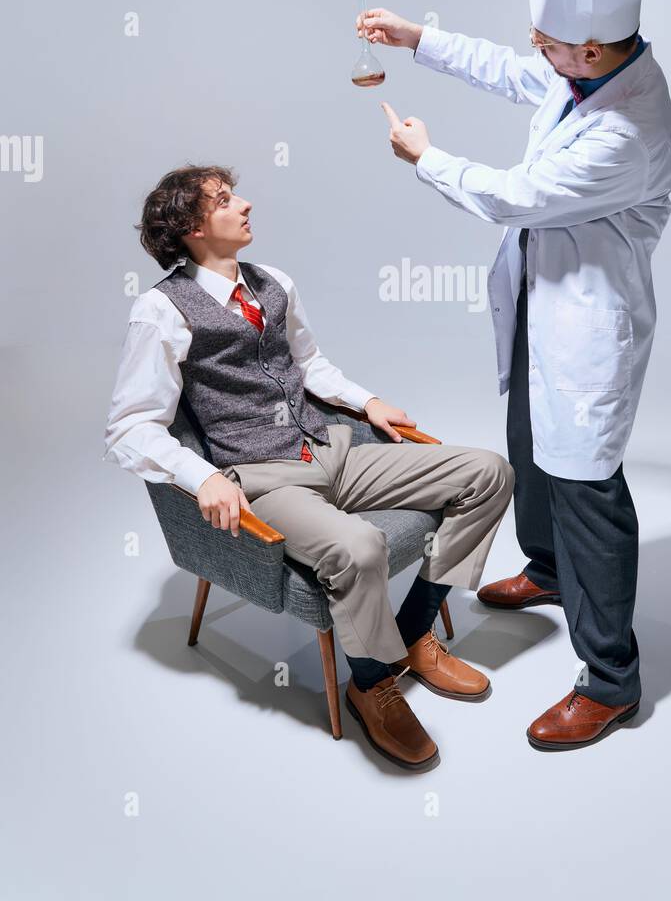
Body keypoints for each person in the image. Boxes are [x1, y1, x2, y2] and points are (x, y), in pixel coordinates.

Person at [357, 0, 671, 751]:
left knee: (586, 488)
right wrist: (415, 38)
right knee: (525, 445)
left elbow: (515, 197)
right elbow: (509, 70)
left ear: (584, 47)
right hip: (539, 303)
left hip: (586, 328)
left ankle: (610, 681)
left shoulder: (626, 129)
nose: (534, 50)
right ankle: (544, 571)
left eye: (548, 42)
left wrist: (424, 157)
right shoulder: (590, 70)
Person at [103, 164, 515, 772]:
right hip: (263, 478)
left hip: (328, 449)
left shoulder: (274, 282)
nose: (244, 204)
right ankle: (371, 682)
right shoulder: (161, 309)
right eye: (223, 200)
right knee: (360, 548)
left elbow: (310, 365)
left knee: (488, 472)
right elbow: (130, 424)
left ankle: (412, 633)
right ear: (191, 228)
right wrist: (203, 477)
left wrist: (367, 401)